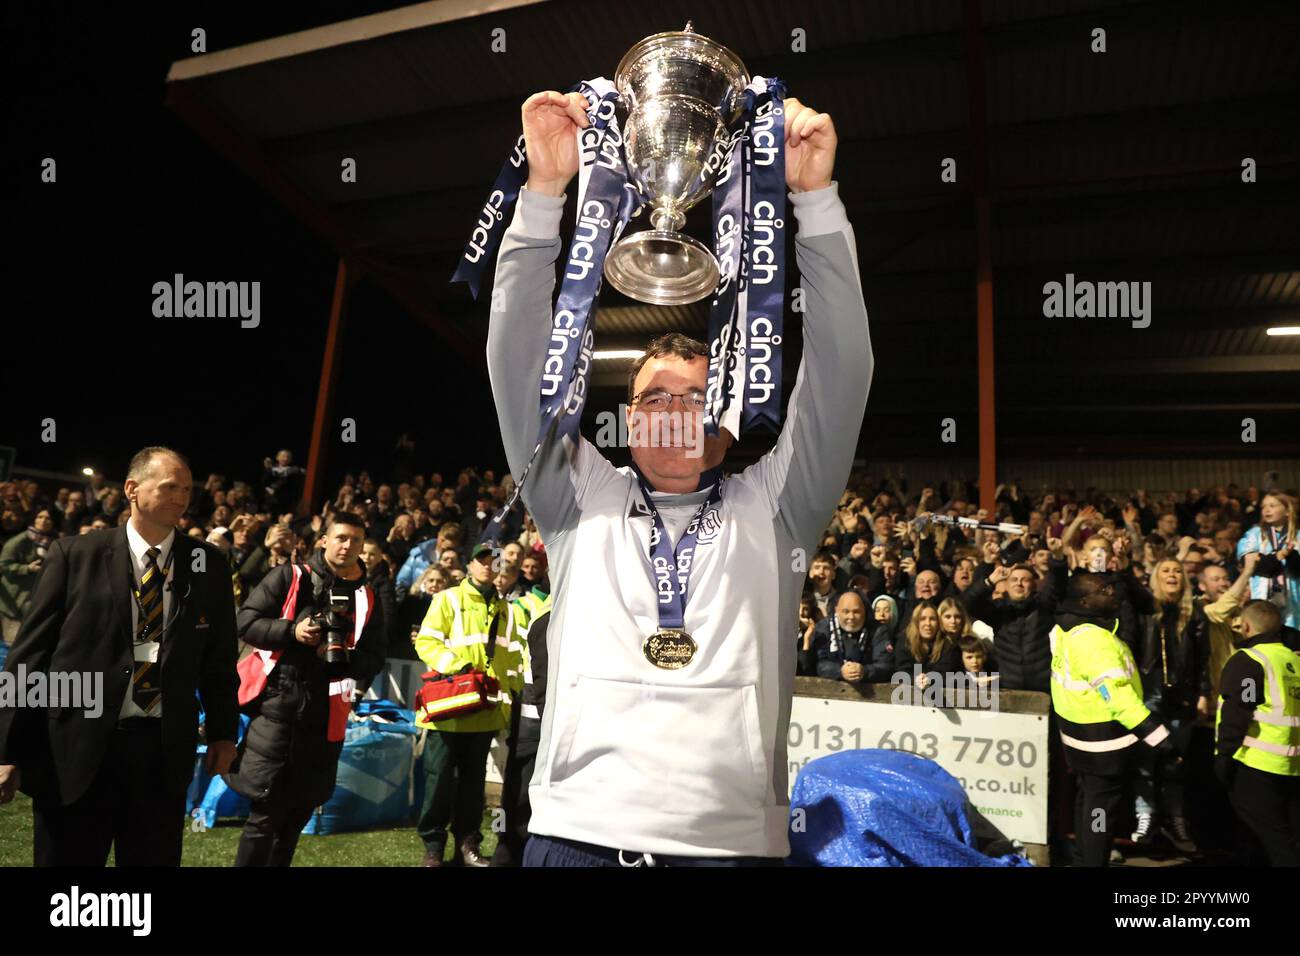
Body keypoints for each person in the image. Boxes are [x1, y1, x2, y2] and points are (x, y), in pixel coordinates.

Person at [489, 90, 869, 865]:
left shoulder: (778, 508)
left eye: (695, 398)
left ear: (723, 423)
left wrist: (815, 202)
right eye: (652, 395)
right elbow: (516, 368)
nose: (671, 409)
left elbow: (842, 371)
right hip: (574, 837)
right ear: (627, 420)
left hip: (728, 849)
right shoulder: (575, 498)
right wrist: (543, 197)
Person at [0, 447, 240, 866]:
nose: (181, 497)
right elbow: (28, 658)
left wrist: (222, 733)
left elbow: (219, 661)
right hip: (75, 754)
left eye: (186, 489)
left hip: (160, 757)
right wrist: (7, 751)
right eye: (169, 487)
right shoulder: (73, 555)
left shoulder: (209, 566)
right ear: (132, 488)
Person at [228, 513, 387, 866]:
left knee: (295, 818)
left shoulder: (367, 598)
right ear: (324, 540)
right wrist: (293, 632)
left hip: (326, 717)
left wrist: (343, 657)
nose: (348, 546)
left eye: (356, 541)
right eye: (341, 538)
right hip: (277, 710)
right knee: (264, 816)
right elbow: (245, 622)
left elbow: (375, 657)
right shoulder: (290, 576)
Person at [1050, 572, 1173, 867]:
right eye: (1102, 590)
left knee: (1088, 799)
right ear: (1084, 601)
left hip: (1079, 737)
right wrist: (1158, 737)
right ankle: (1093, 859)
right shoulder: (1094, 641)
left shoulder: (1065, 629)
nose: (1111, 592)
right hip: (1103, 743)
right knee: (1100, 811)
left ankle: (1084, 857)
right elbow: (1117, 697)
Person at [414, 543, 521, 867]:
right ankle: (433, 848)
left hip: (484, 710)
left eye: (494, 562)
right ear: (470, 564)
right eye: (482, 560)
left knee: (473, 788)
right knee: (438, 784)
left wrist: (513, 695)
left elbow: (511, 657)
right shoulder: (447, 598)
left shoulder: (506, 609)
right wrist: (456, 665)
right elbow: (426, 641)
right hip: (449, 708)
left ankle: (466, 845)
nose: (488, 566)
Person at [1127, 558, 1210, 853]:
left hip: (1182, 697)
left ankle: (1176, 822)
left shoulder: (1195, 612)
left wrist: (1203, 693)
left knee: (1176, 763)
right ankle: (1145, 817)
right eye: (1166, 570)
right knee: (1145, 764)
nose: (1172, 575)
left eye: (1177, 571)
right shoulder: (1146, 609)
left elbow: (1203, 659)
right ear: (1155, 578)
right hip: (1149, 695)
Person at [1215, 600, 1300, 865]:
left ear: (1247, 626)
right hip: (1292, 764)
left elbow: (1239, 710)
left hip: (1255, 762)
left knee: (1276, 840)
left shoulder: (1250, 660)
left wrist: (1223, 756)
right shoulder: (1293, 659)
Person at [1237, 492, 1299, 629]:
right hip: (1262, 601)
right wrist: (1278, 556)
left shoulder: (1298, 535)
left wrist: (1291, 555)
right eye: (1263, 506)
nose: (1266, 510)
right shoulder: (1253, 535)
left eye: (1272, 505)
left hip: (1294, 604)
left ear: (1288, 511)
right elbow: (1252, 565)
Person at [812, 590, 892, 684]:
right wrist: (840, 671)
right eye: (846, 612)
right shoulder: (824, 628)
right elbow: (817, 663)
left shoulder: (877, 630)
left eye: (856, 612)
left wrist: (864, 671)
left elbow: (885, 665)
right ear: (836, 610)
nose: (851, 617)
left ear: (864, 611)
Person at [0, 508, 55, 643]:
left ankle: (19, 666)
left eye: (47, 518)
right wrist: (26, 568)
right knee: (10, 645)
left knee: (19, 647)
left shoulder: (53, 542)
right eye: (40, 517)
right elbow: (3, 564)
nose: (43, 521)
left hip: (31, 603)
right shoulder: (20, 540)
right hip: (13, 603)